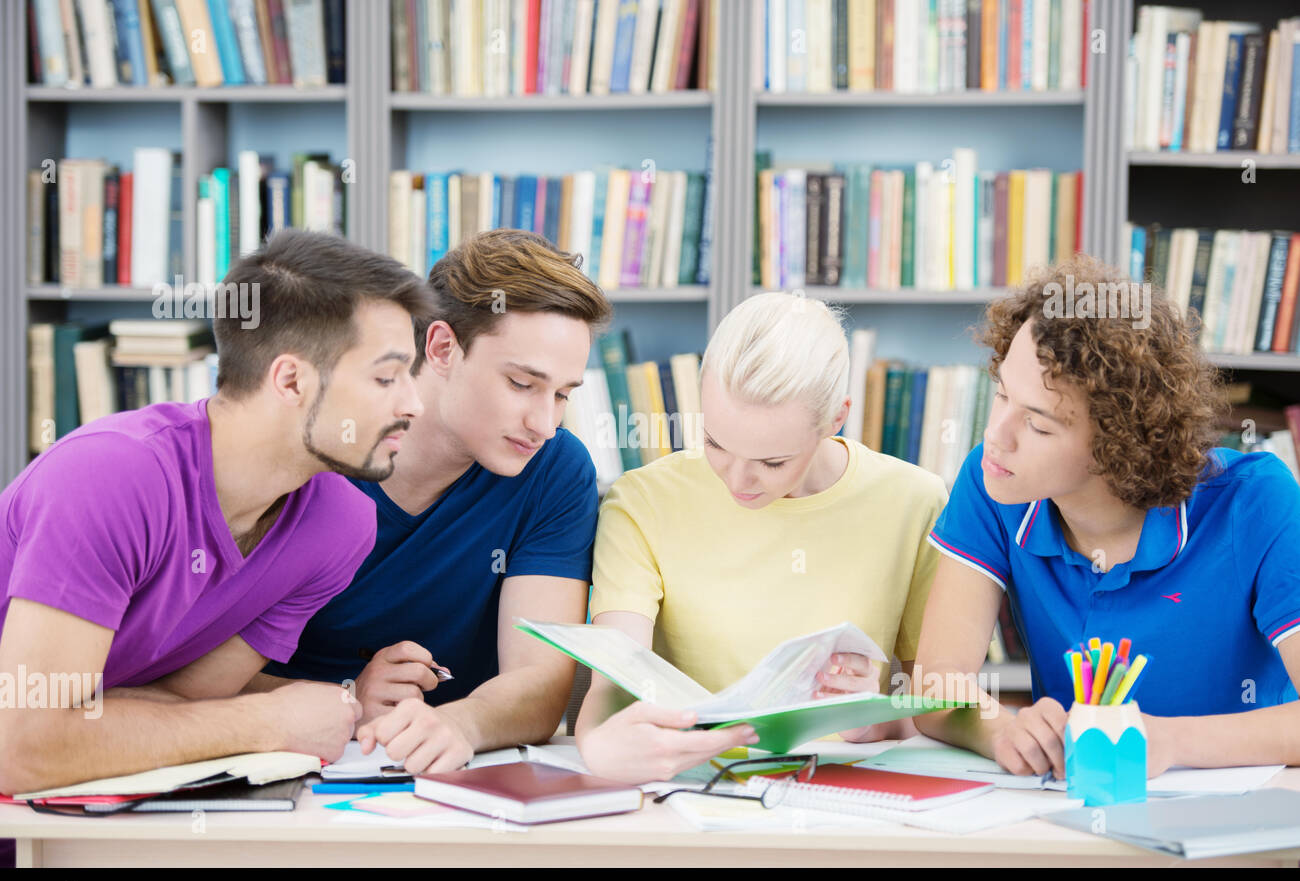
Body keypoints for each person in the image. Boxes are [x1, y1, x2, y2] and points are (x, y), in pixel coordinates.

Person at [0, 230, 433, 794]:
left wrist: (91, 727)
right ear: (291, 380)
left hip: (85, 808)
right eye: (385, 378)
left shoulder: (340, 526)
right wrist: (271, 718)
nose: (414, 405)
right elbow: (23, 745)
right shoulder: (109, 476)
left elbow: (185, 703)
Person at [912, 255, 1300, 778]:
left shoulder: (1255, 501)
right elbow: (936, 685)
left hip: (1232, 832)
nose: (995, 436)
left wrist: (1167, 740)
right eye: (1002, 393)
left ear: (1120, 445)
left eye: (1039, 425)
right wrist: (1000, 729)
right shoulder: (995, 482)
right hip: (1080, 817)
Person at [263, 229, 612, 775]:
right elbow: (196, 682)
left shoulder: (555, 470)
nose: (546, 422)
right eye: (523, 383)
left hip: (453, 777)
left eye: (564, 394)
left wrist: (460, 724)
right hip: (290, 767)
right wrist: (348, 697)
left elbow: (540, 686)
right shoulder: (313, 456)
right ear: (443, 348)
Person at [574, 291, 949, 784]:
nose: (737, 481)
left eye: (773, 462)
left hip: (845, 798)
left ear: (836, 418)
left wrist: (874, 717)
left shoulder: (914, 502)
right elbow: (612, 686)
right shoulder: (643, 501)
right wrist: (600, 743)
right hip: (690, 790)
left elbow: (942, 705)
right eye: (715, 442)